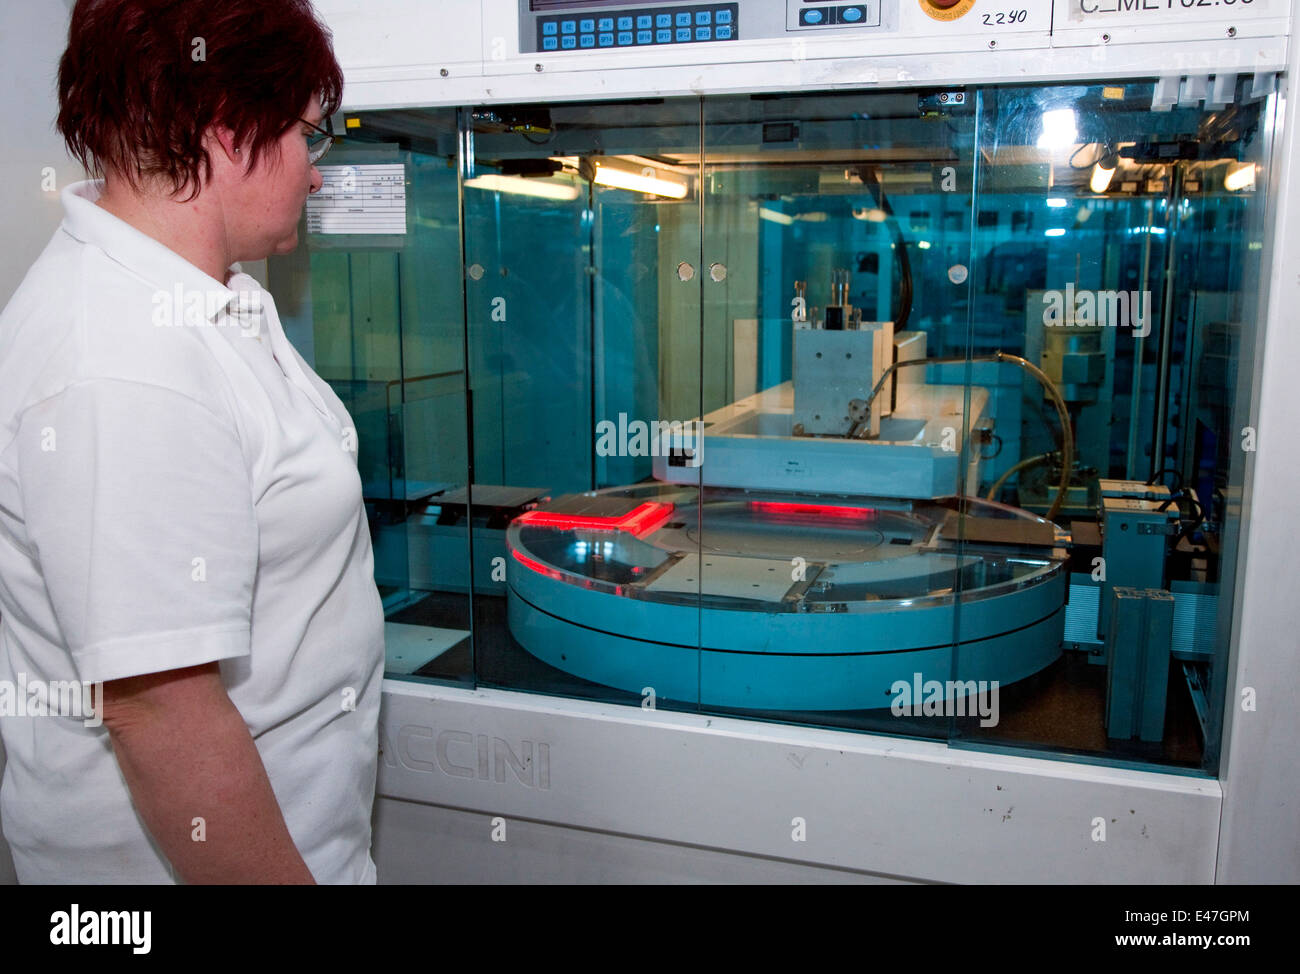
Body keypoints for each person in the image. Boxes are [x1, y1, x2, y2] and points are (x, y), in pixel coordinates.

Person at [0, 0, 384, 883]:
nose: (316, 174)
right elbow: (164, 717)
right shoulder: (121, 357)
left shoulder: (206, 298)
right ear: (228, 128)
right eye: (307, 135)